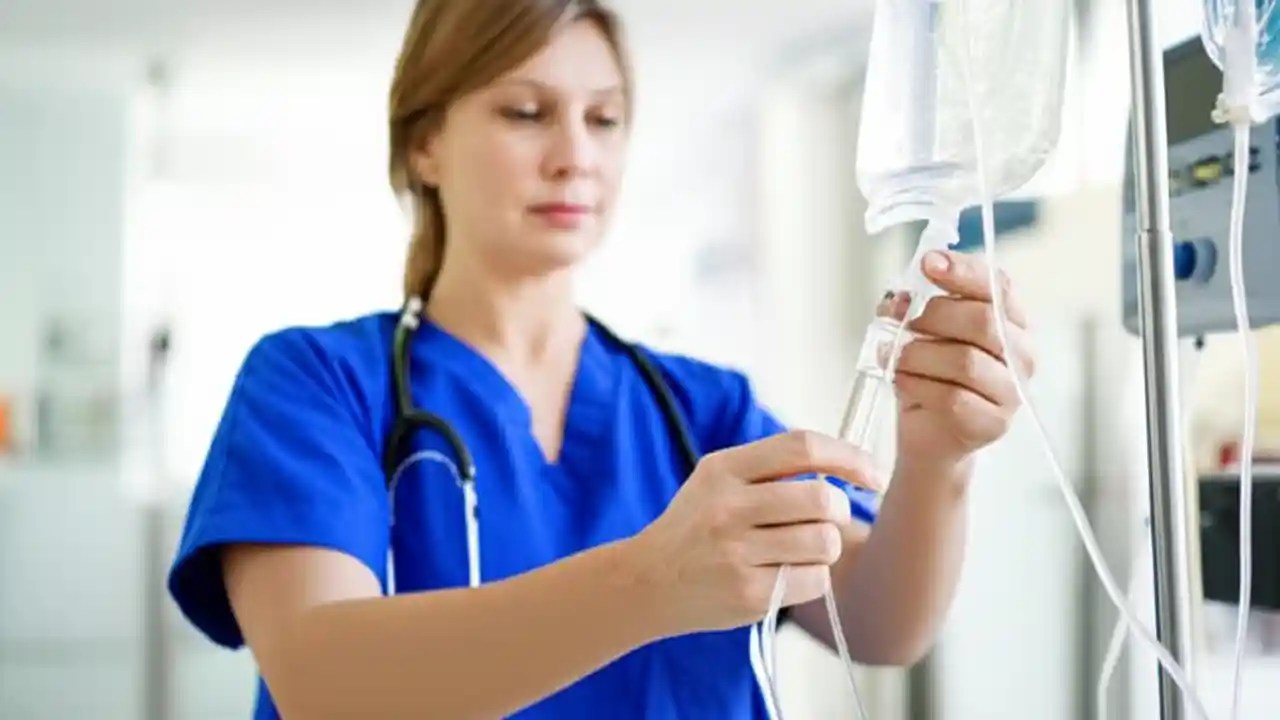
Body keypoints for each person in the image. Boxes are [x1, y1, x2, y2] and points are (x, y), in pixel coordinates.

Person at [166, 1, 1038, 718]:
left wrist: (939, 459)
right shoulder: (316, 385)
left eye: (604, 119)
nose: (575, 156)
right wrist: (652, 581)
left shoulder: (699, 410)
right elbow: (325, 686)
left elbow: (880, 625)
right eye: (526, 113)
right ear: (425, 143)